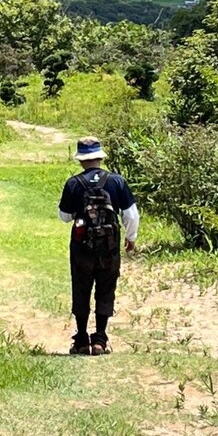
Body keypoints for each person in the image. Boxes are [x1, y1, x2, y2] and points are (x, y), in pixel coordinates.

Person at [58, 135, 139, 356]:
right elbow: (131, 215)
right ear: (100, 157)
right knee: (106, 288)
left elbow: (64, 216)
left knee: (81, 288)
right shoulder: (116, 181)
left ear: (80, 160)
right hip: (109, 247)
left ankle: (81, 340)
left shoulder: (73, 183)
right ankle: (100, 340)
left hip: (81, 246)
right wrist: (131, 237)